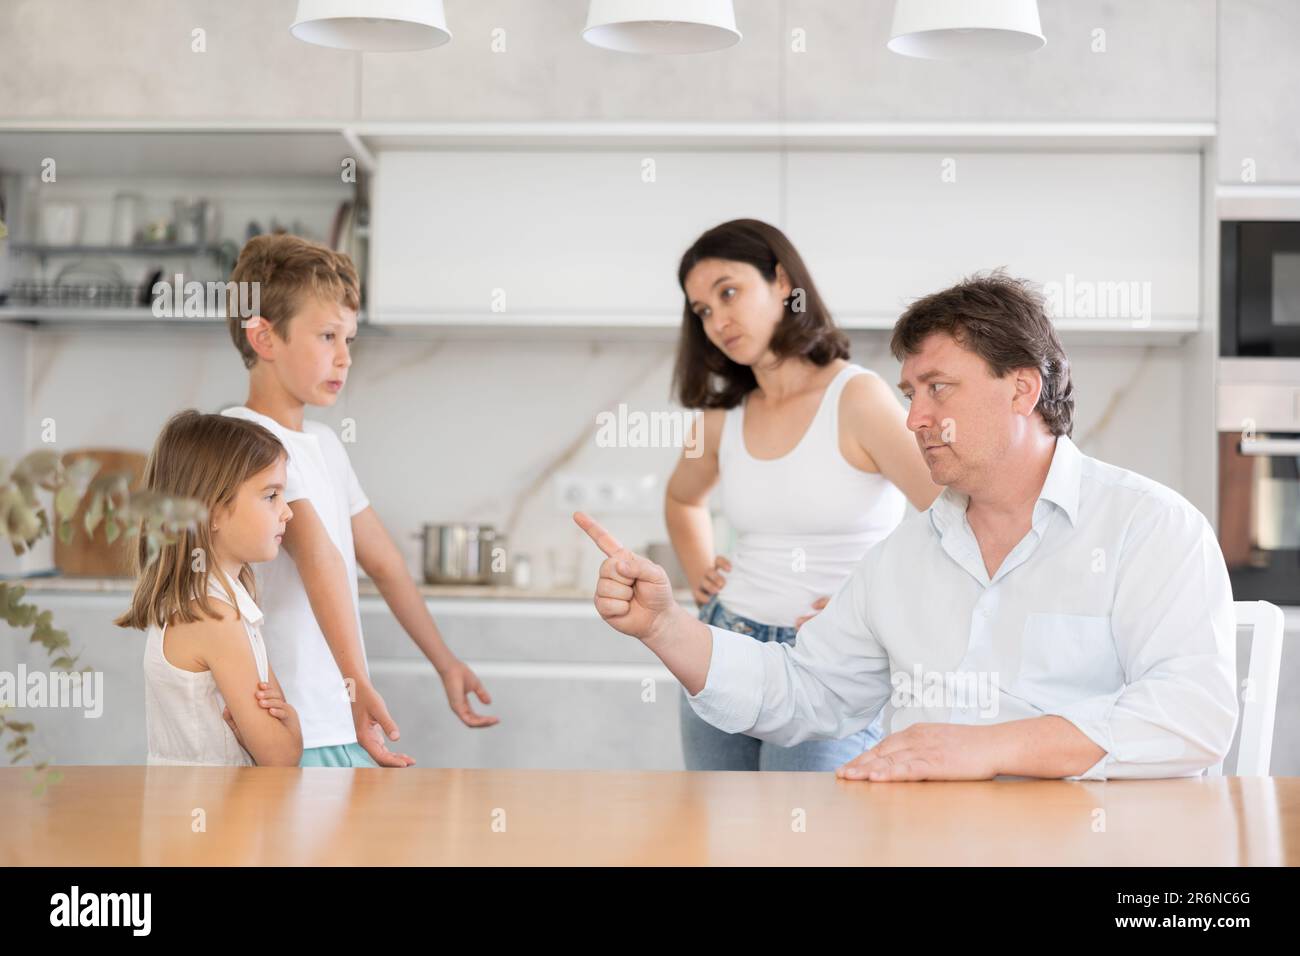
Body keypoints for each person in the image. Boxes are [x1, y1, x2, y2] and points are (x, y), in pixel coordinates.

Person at [576, 271, 1238, 781]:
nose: (914, 418)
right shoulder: (903, 557)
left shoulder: (1148, 528)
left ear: (1022, 390)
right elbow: (805, 691)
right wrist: (666, 627)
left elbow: (1192, 714)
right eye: (909, 393)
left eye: (938, 388)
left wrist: (984, 748)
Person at [666, 218, 940, 770]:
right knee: (717, 839)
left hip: (832, 660)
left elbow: (952, 515)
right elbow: (681, 500)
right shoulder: (724, 416)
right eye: (703, 311)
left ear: (783, 281)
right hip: (724, 646)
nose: (718, 320)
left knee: (806, 841)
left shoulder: (857, 397)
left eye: (728, 292)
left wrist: (881, 607)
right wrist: (701, 580)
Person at [221, 234, 497, 768]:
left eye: (349, 338)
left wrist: (445, 663)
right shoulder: (244, 437)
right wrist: (357, 682)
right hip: (286, 723)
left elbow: (383, 561)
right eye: (327, 336)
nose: (345, 358)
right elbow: (319, 557)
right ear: (264, 337)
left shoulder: (324, 443)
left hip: (337, 714)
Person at [117, 410, 301, 767]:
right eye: (270, 496)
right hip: (213, 818)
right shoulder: (214, 616)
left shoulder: (215, 604)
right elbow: (280, 757)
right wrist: (293, 729)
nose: (287, 512)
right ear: (212, 513)